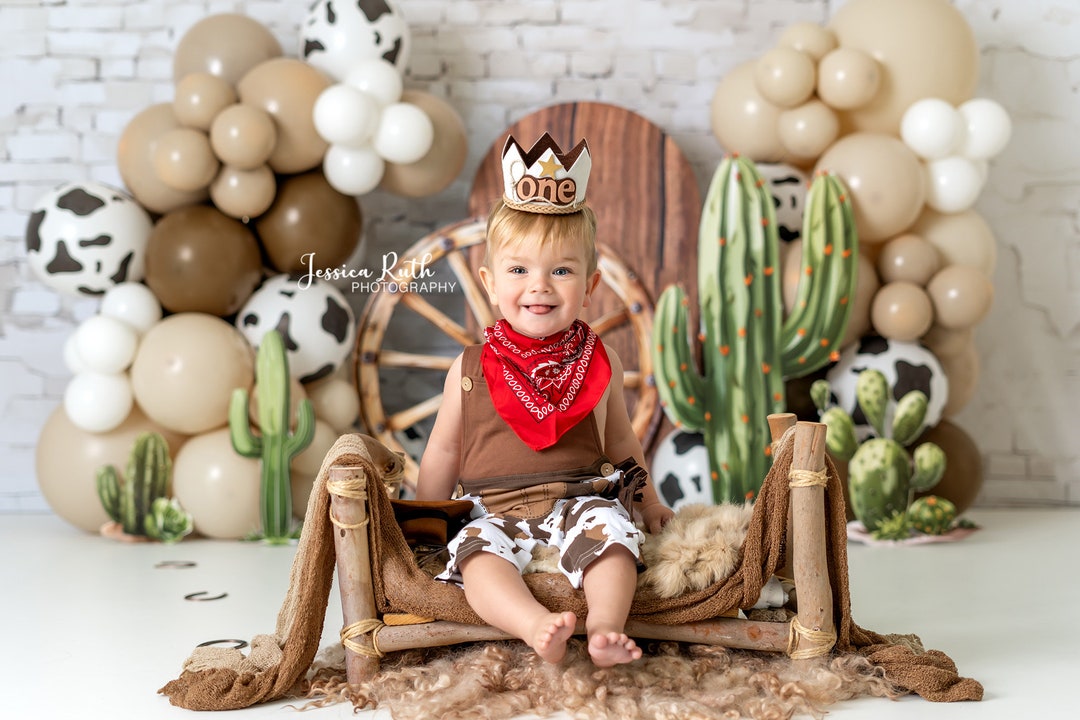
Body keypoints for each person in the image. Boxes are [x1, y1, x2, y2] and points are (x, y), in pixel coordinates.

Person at [416, 133, 674, 668]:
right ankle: (535, 625)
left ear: (591, 283)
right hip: (493, 508)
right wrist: (425, 524)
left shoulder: (600, 362)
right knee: (477, 559)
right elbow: (442, 452)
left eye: (561, 270)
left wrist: (647, 503)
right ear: (489, 281)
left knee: (616, 541)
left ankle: (604, 628)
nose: (540, 286)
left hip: (578, 499)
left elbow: (622, 443)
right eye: (518, 270)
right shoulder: (468, 370)